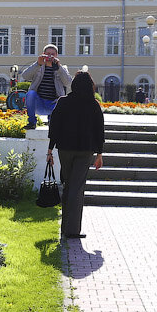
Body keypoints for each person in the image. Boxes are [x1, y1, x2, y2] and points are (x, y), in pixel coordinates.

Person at [47, 71, 105, 240]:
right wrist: (99, 154)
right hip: (85, 150)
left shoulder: (63, 102)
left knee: (68, 184)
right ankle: (72, 230)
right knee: (77, 187)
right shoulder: (93, 105)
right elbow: (99, 131)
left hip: (64, 149)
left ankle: (65, 228)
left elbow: (54, 127)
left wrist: (50, 150)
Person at [20, 44, 72, 129]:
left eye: (53, 54)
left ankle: (52, 121)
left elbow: (69, 83)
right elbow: (24, 76)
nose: (50, 56)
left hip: (53, 105)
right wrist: (37, 64)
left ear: (57, 55)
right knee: (30, 94)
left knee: (62, 101)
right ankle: (32, 122)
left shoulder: (61, 68)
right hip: (39, 103)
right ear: (43, 54)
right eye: (48, 54)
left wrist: (59, 67)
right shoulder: (38, 66)